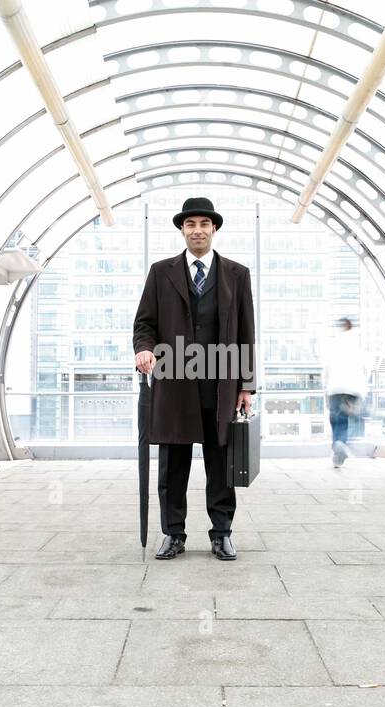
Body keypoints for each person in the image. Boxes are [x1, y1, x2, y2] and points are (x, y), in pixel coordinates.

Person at [133, 197, 257, 560]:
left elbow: (246, 333)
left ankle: (222, 534)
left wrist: (246, 385)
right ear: (182, 230)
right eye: (191, 224)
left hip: (220, 386)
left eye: (204, 224)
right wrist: (144, 349)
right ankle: (173, 534)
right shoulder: (161, 272)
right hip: (175, 384)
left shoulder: (237, 274)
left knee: (221, 466)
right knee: (173, 466)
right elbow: (144, 323)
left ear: (214, 228)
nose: (197, 230)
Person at [322, 317, 367, 468]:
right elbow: (365, 369)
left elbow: (326, 370)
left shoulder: (333, 345)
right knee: (344, 420)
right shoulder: (357, 345)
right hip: (352, 390)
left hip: (334, 389)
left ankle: (338, 446)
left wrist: (325, 391)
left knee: (336, 420)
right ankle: (340, 447)